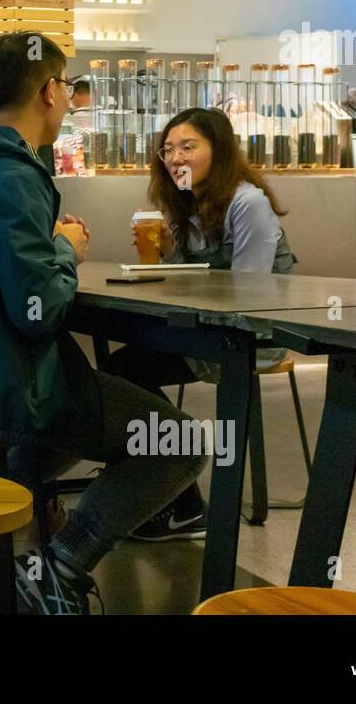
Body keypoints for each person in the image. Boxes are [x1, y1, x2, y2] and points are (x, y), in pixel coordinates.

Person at [0, 32, 206, 615]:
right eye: (65, 85)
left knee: (100, 403)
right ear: (46, 90)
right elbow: (38, 309)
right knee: (181, 441)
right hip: (0, 387)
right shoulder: (10, 176)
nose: (68, 97)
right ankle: (58, 567)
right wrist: (65, 249)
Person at [103, 106, 297, 542]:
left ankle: (181, 498)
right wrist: (168, 253)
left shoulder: (248, 203)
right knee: (120, 370)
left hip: (249, 337)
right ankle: (172, 494)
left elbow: (250, 294)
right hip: (207, 329)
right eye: (168, 149)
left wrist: (178, 276)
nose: (175, 158)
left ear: (220, 150)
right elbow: (185, 283)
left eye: (188, 147)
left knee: (127, 373)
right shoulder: (184, 204)